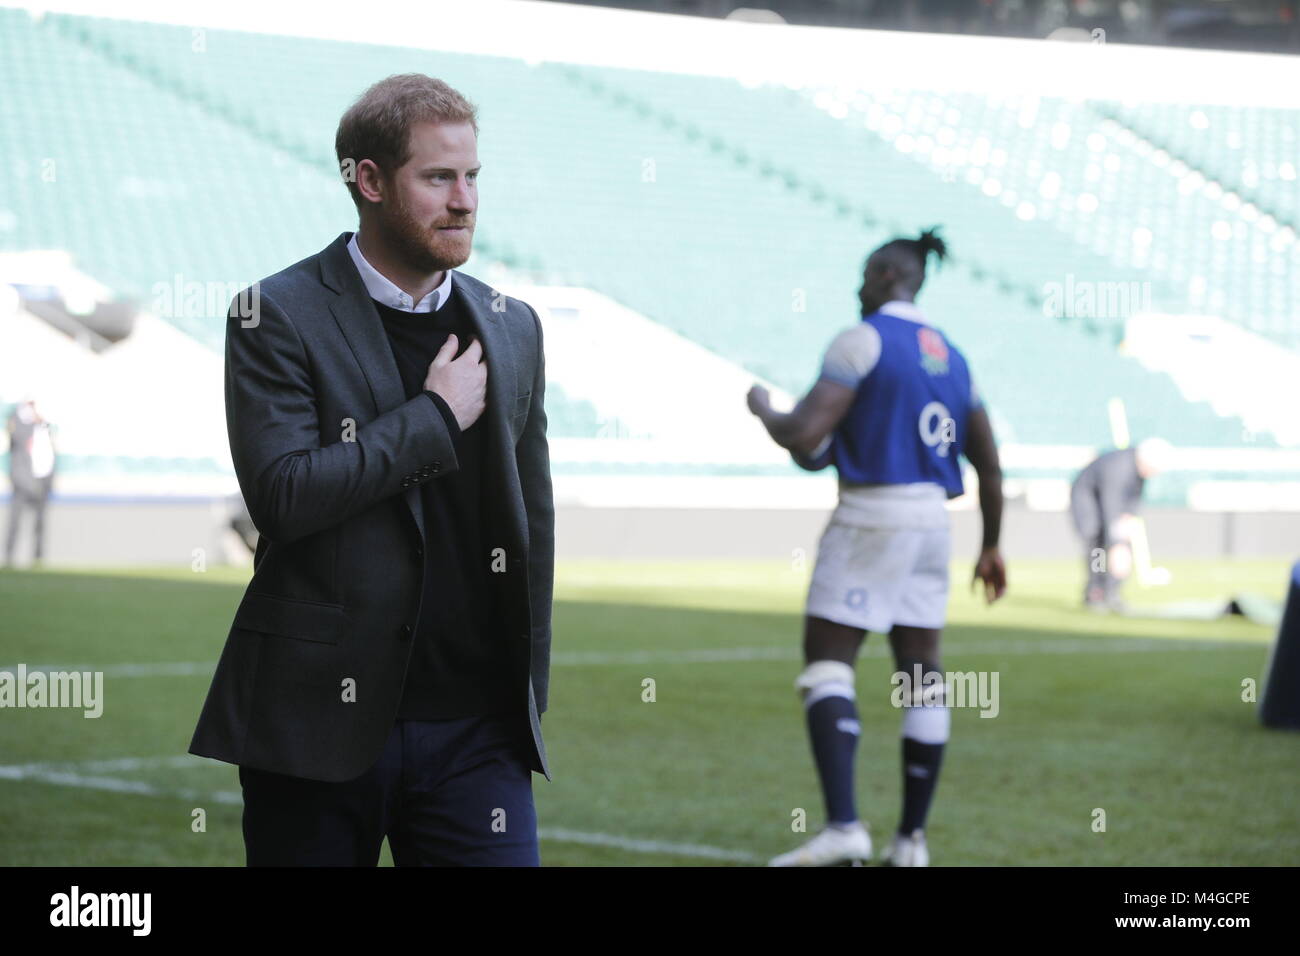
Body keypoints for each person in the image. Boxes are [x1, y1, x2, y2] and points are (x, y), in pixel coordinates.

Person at [188, 74, 555, 866]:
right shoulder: (276, 313)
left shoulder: (511, 324)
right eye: (438, 178)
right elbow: (285, 495)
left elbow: (532, 521)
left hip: (477, 734)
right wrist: (431, 418)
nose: (464, 200)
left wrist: (526, 694)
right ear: (369, 181)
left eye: (472, 177)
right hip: (317, 722)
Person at [748, 228, 1005, 867]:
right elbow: (990, 468)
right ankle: (911, 843)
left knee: (828, 664)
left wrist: (762, 409)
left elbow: (804, 430)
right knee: (922, 677)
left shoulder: (860, 340)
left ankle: (843, 828)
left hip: (872, 517)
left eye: (866, 275)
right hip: (933, 524)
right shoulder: (954, 355)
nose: (857, 288)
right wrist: (992, 547)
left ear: (889, 274)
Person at [1069, 438, 1171, 611]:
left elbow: (1132, 500)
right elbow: (1110, 506)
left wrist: (1128, 521)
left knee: (1122, 542)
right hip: (1088, 498)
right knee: (1097, 544)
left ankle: (1112, 591)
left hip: (1111, 504)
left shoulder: (1139, 470)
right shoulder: (1118, 468)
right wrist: (1117, 544)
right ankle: (1095, 590)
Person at [5, 396, 56, 568]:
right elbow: (16, 436)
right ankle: (9, 557)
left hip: (42, 480)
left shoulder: (44, 424)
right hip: (22, 481)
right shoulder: (18, 418)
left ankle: (38, 558)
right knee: (15, 522)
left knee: (39, 524)